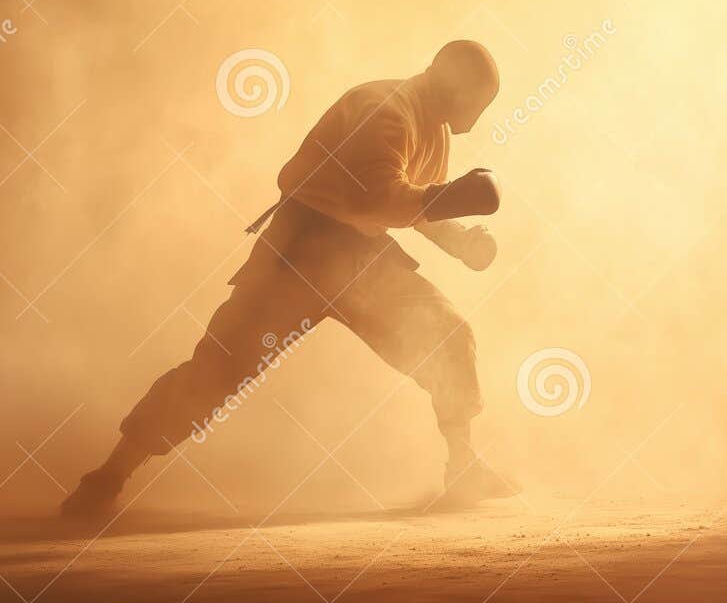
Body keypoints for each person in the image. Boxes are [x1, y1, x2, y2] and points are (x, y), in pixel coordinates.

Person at [60, 40, 516, 518]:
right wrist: (448, 201)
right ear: (452, 87)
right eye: (477, 104)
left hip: (362, 257)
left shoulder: (433, 127)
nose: (478, 117)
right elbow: (376, 198)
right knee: (218, 368)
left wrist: (461, 240)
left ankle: (462, 466)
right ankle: (109, 474)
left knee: (446, 336)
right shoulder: (385, 109)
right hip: (303, 250)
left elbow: (414, 204)